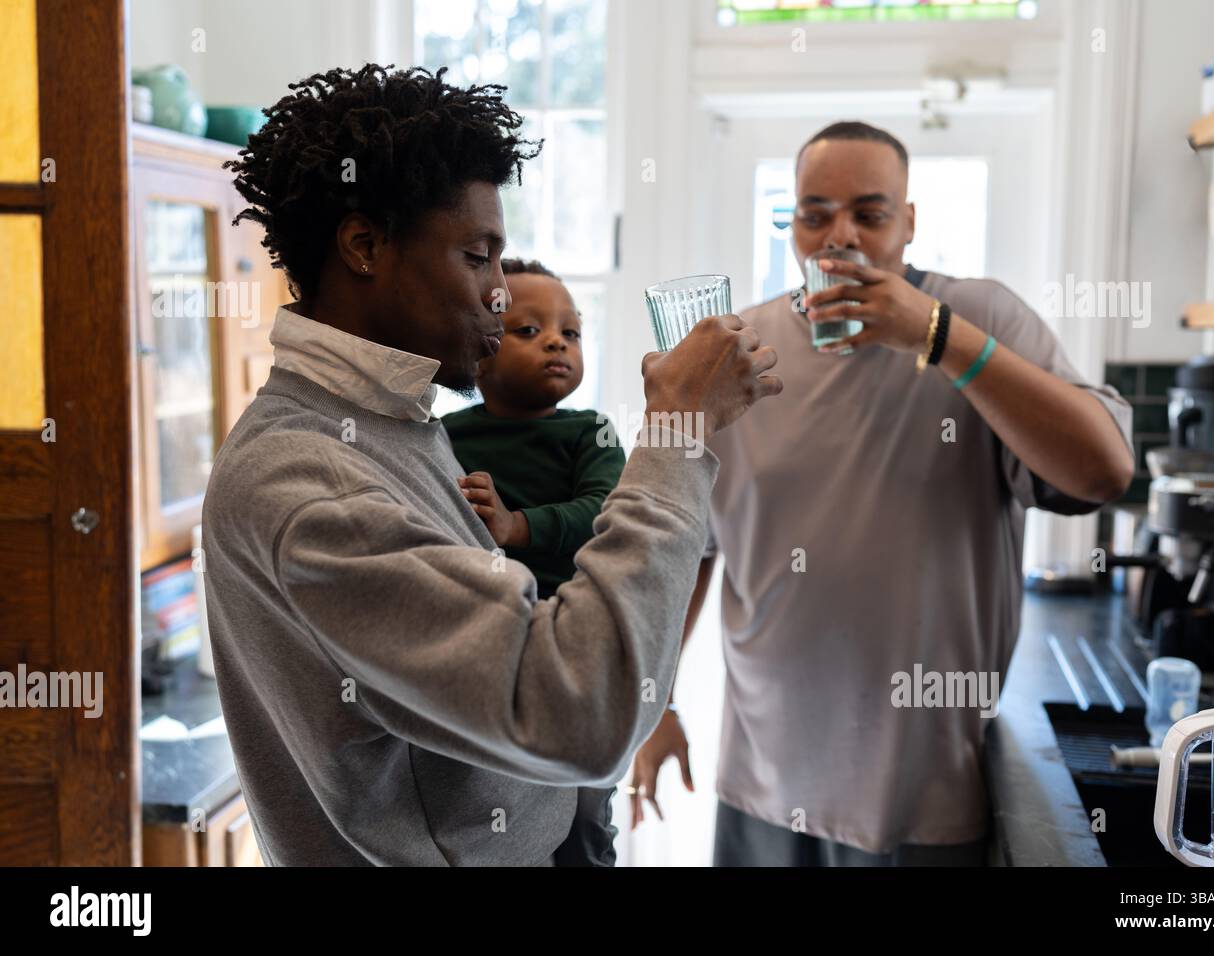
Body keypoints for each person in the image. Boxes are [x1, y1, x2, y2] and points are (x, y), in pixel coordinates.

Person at [201, 64, 782, 866]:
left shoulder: (391, 420)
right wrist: (677, 430)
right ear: (364, 246)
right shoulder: (305, 479)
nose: (501, 296)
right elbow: (580, 710)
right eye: (478, 257)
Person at [630, 120, 1134, 867]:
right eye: (814, 212)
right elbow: (688, 550)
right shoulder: (742, 352)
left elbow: (1105, 472)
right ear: (792, 223)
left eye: (869, 213)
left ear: (908, 223)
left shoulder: (980, 318)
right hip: (764, 776)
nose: (839, 236)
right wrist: (654, 705)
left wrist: (934, 335)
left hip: (927, 791)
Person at [443, 258, 624, 865]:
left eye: (571, 333)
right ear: (481, 355)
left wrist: (517, 526)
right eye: (528, 330)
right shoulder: (442, 436)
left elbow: (605, 515)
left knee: (585, 818)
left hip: (575, 652)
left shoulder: (590, 432)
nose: (556, 341)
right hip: (487, 659)